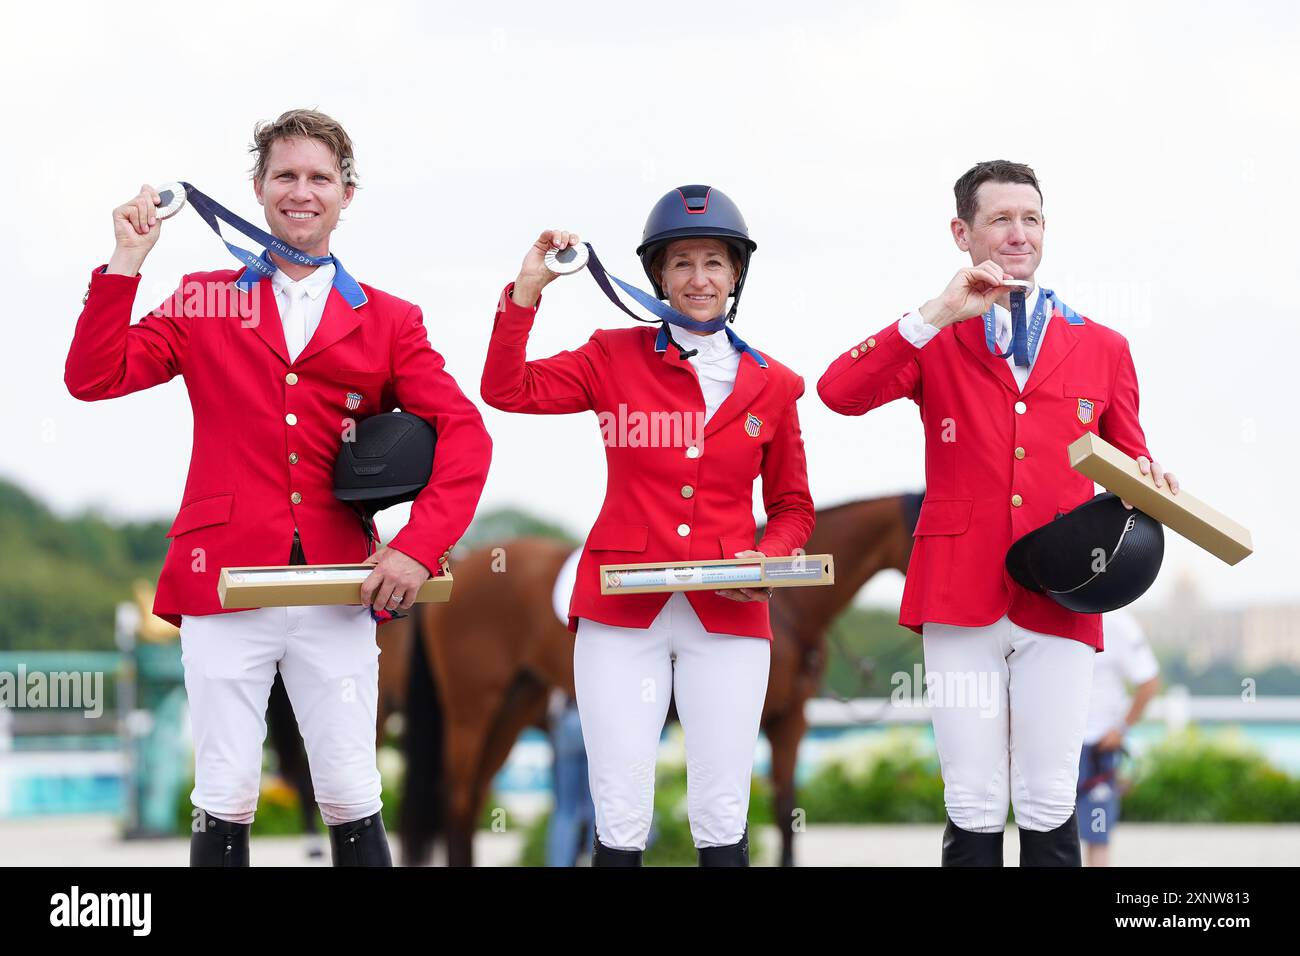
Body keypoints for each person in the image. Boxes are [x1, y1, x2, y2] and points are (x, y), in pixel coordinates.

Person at [64, 108, 492, 866]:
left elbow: (466, 434)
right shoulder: (203, 297)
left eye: (319, 177)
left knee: (352, 792)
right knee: (223, 792)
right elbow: (93, 377)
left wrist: (419, 550)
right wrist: (126, 261)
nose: (302, 191)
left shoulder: (391, 320)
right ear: (258, 189)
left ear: (346, 194)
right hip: (223, 577)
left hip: (339, 583)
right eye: (285, 176)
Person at [817, 160, 1179, 866]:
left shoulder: (1103, 346)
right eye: (1000, 219)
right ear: (963, 232)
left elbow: (1131, 461)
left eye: (1031, 218)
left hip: (1065, 595)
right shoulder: (935, 337)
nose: (1019, 233)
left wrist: (1150, 477)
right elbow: (839, 392)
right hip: (957, 590)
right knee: (973, 800)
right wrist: (935, 313)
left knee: (1049, 797)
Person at [481, 185, 815, 866]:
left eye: (715, 262)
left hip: (729, 613)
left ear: (736, 274)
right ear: (659, 276)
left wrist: (767, 558)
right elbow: (505, 388)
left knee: (722, 809)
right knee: (620, 808)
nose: (699, 278)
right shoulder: (612, 355)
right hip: (619, 610)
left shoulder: (775, 385)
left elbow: (792, 507)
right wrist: (525, 294)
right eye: (683, 263)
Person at [1078, 608, 1161, 866]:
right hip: (1055, 743)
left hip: (1097, 748)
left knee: (1097, 836)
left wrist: (1121, 729)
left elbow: (1149, 682)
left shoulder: (1119, 623)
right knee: (1048, 831)